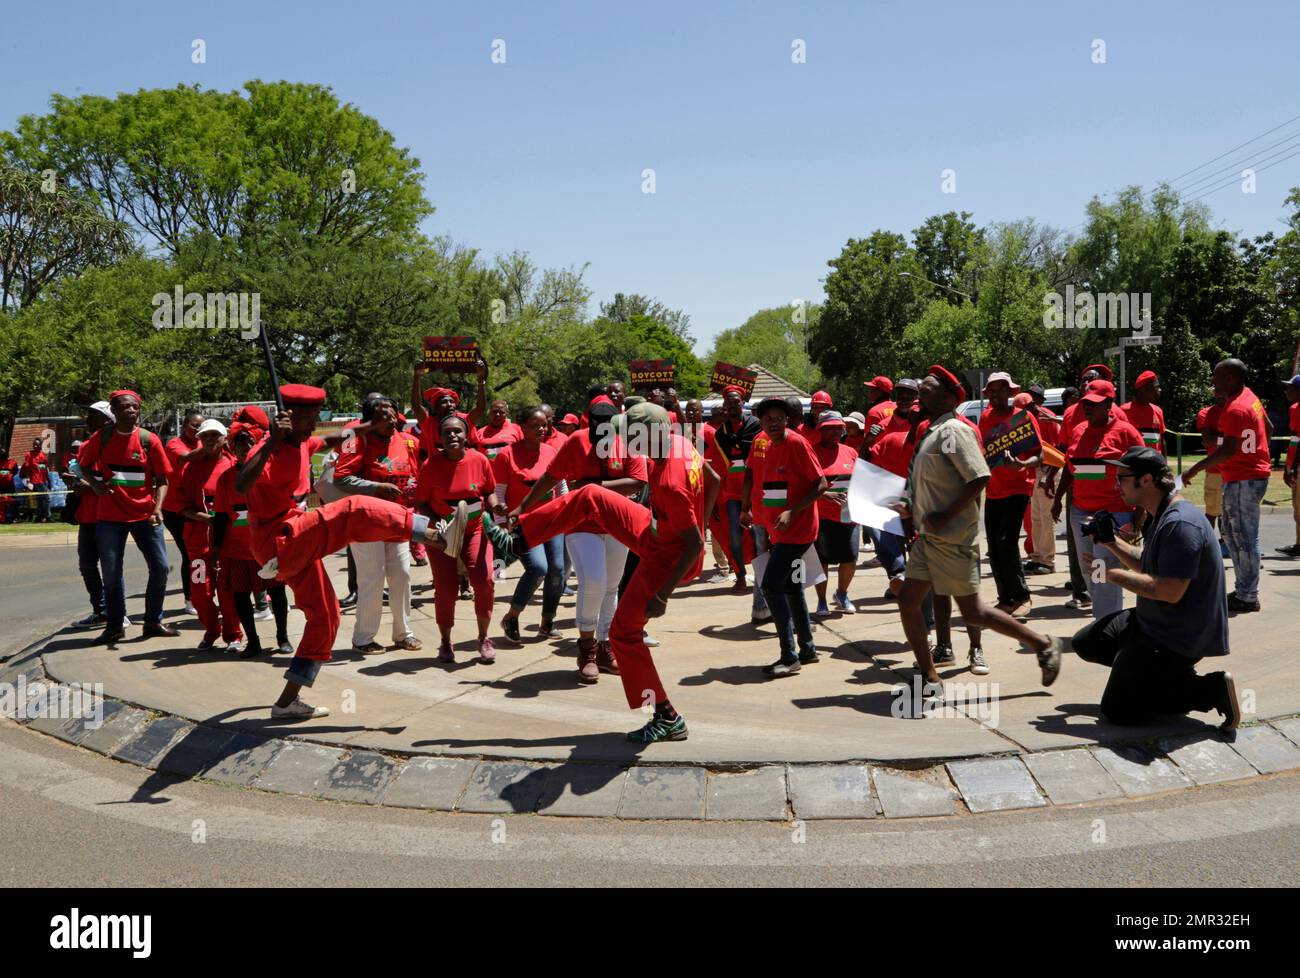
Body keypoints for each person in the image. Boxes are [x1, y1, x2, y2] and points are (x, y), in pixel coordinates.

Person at [490, 401, 722, 743]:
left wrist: (662, 595)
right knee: (590, 496)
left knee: (624, 635)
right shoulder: (681, 442)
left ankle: (666, 717)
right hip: (657, 530)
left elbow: (693, 545)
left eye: (630, 435)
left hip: (668, 560)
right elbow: (714, 478)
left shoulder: (672, 482)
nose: (624, 441)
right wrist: (699, 517)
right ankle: (517, 540)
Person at [238, 384, 463, 719]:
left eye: (316, 414)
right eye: (310, 416)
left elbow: (332, 441)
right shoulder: (271, 450)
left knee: (326, 617)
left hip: (295, 540)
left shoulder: (302, 442)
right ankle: (436, 536)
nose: (315, 421)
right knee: (355, 508)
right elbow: (241, 484)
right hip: (277, 540)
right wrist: (271, 440)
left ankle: (286, 702)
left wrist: (368, 427)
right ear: (289, 417)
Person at [894, 367, 1069, 683]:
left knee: (973, 612)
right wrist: (910, 506)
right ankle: (929, 676)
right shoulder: (932, 431)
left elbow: (979, 477)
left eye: (928, 389)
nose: (920, 393)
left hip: (952, 538)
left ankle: (1043, 644)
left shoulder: (954, 432)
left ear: (948, 397)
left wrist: (943, 516)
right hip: (930, 537)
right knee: (908, 601)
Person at [1066, 447, 1240, 731]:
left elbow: (1168, 590)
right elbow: (1150, 566)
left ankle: (1207, 689)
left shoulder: (1180, 524)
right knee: (1087, 642)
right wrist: (1110, 541)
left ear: (1145, 480)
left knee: (1119, 711)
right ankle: (1160, 677)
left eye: (1122, 478)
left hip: (1177, 637)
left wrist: (1112, 575)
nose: (1116, 484)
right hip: (1153, 622)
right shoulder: (1160, 514)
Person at [511, 400, 648, 681]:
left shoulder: (627, 442)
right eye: (595, 423)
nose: (600, 429)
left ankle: (606, 645)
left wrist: (594, 488)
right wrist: (523, 505)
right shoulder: (577, 441)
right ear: (589, 421)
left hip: (617, 523)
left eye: (606, 425)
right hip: (581, 523)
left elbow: (637, 480)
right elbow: (551, 476)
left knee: (611, 587)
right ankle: (587, 649)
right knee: (594, 582)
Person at [79, 390, 179, 645]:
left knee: (160, 567)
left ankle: (153, 622)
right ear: (114, 411)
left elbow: (162, 480)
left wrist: (158, 508)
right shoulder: (102, 438)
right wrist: (94, 484)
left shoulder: (149, 440)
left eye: (134, 407)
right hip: (110, 517)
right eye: (124, 407)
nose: (131, 411)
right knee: (112, 572)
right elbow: (83, 465)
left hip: (145, 515)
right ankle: (115, 626)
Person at [741, 396, 826, 676]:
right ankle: (808, 649)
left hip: (798, 529)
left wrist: (791, 511)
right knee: (790, 588)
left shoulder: (797, 443)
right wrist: (748, 510)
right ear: (760, 422)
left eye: (779, 418)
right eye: (768, 419)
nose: (774, 423)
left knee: (770, 586)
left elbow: (821, 484)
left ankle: (789, 656)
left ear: (787, 420)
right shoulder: (762, 443)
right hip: (776, 529)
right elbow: (756, 477)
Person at [1181, 359, 1272, 615]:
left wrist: (1194, 468)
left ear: (1230, 378)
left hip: (1245, 478)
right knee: (1231, 534)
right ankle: (1244, 588)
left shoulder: (1235, 409)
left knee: (1245, 537)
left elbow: (1228, 449)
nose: (1213, 382)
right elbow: (1270, 428)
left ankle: (1248, 595)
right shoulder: (1251, 397)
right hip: (1242, 477)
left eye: (1216, 377)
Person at [334, 396, 422, 655]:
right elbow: (341, 478)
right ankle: (363, 638)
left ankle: (403, 633)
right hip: (366, 522)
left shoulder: (409, 441)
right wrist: (376, 487)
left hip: (398, 519)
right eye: (382, 415)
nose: (390, 418)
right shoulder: (355, 439)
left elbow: (416, 474)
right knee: (372, 579)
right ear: (369, 420)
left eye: (392, 413)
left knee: (402, 575)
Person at [1052, 380, 1145, 620]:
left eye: (1094, 404)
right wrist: (1058, 499)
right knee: (1088, 568)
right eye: (1085, 403)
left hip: (1114, 512)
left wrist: (1139, 512)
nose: (1088, 408)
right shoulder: (1078, 430)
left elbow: (1145, 472)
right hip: (1081, 511)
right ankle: (1102, 614)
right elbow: (1070, 469)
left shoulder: (1126, 433)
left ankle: (1107, 622)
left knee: (1103, 567)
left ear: (1109, 404)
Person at [413, 414, 500, 664]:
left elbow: (488, 492)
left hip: (474, 531)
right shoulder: (431, 466)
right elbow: (421, 503)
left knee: (484, 581)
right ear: (440, 438)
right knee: (446, 588)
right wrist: (438, 528)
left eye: (457, 431)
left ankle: (484, 638)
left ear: (466, 435)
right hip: (442, 534)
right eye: (447, 432)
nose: (452, 435)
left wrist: (497, 507)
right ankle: (445, 641)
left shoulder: (479, 460)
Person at [213, 408, 292, 659]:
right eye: (240, 443)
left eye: (250, 442)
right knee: (240, 597)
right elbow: (222, 517)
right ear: (232, 448)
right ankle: (253, 642)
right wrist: (215, 549)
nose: (245, 447)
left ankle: (283, 638)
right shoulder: (226, 479)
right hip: (237, 551)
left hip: (268, 548)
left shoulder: (270, 471)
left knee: (277, 593)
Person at [493, 406, 565, 643]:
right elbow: (499, 493)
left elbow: (560, 487)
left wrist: (568, 514)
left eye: (544, 425)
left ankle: (547, 622)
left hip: (553, 520)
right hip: (522, 522)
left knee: (558, 570)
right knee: (538, 568)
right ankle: (512, 616)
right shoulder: (506, 455)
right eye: (535, 425)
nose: (541, 429)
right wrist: (502, 525)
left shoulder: (551, 451)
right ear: (522, 427)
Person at [977, 373, 1042, 619]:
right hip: (993, 491)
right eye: (991, 390)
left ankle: (1022, 597)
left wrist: (1023, 464)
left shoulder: (1022, 418)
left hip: (1018, 489)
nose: (995, 394)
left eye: (1000, 390)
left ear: (1010, 392)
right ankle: (1005, 599)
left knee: (1007, 543)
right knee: (994, 547)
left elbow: (1041, 455)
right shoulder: (984, 418)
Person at [177, 419, 241, 650]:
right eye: (205, 437)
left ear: (225, 438)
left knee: (227, 593)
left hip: (228, 544)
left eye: (215, 435)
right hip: (198, 546)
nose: (210, 440)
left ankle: (233, 635)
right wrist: (210, 520)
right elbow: (182, 505)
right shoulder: (192, 468)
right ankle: (211, 630)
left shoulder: (235, 466)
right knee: (199, 594)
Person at [712, 385, 765, 609]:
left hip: (756, 489)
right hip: (733, 492)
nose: (733, 406)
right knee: (735, 534)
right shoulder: (720, 434)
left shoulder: (755, 426)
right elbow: (715, 466)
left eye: (736, 402)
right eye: (729, 403)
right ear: (725, 406)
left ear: (742, 404)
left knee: (760, 534)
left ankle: (762, 577)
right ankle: (741, 575)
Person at [69, 401, 117, 627]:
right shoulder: (86, 445)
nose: (87, 419)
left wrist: (89, 486)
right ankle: (100, 609)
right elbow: (84, 474)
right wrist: (77, 483)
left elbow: (120, 478)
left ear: (107, 420)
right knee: (87, 564)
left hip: (108, 516)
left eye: (92, 415)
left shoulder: (115, 444)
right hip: (87, 515)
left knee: (110, 566)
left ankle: (116, 611)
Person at [811, 411, 859, 615]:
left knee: (850, 557)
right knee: (822, 560)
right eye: (830, 428)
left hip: (848, 515)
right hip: (821, 515)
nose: (835, 432)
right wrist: (825, 495)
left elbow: (860, 479)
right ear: (820, 430)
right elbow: (803, 485)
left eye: (839, 428)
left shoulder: (850, 451)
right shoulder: (810, 452)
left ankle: (842, 593)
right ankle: (821, 601)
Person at [162, 409, 204, 614]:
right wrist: (211, 446)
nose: (197, 429)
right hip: (175, 509)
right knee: (189, 552)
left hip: (198, 507)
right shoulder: (173, 444)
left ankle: (203, 594)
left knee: (201, 553)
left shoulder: (203, 443)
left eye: (200, 425)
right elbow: (185, 458)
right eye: (194, 425)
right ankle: (191, 599)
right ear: (185, 425)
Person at [1022, 386, 1060, 575]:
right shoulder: (1024, 417)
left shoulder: (1046, 416)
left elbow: (1057, 450)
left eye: (1034, 399)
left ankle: (1048, 560)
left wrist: (1049, 477)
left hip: (1047, 470)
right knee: (1035, 516)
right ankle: (1037, 555)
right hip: (1033, 470)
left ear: (1039, 400)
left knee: (1046, 516)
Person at [1276, 375, 1300, 558]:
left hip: (1299, 465)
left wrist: (1292, 467)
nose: (1287, 391)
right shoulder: (1294, 409)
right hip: (1295, 465)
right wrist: (1288, 466)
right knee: (1297, 507)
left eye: (1290, 388)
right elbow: (1294, 440)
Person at [1120, 370, 1166, 451]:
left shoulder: (1158, 411)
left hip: (1155, 462)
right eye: (1156, 387)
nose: (1159, 390)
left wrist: (1164, 462)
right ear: (1144, 390)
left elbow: (1162, 441)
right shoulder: (1124, 411)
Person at [861, 376, 896, 452]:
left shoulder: (874, 412)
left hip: (879, 456)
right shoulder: (898, 407)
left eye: (871, 390)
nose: (869, 393)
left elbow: (868, 442)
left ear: (879, 393)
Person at [21, 436, 51, 522]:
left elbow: (45, 469)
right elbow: (27, 467)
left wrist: (49, 480)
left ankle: (39, 516)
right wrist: (28, 480)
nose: (34, 446)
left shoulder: (43, 455)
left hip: (43, 480)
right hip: (35, 480)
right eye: (34, 444)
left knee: (41, 499)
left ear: (41, 445)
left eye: (37, 445)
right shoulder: (29, 454)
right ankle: (46, 516)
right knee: (46, 498)